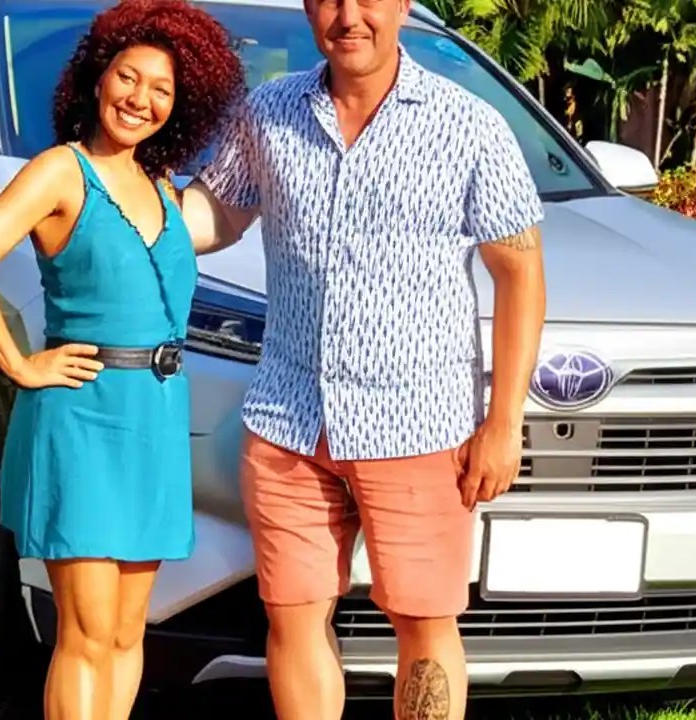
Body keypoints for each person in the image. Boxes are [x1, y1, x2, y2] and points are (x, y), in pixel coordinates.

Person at [178, 0, 547, 715]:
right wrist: (131, 213)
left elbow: (520, 272)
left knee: (424, 622)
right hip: (288, 419)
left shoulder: (466, 125)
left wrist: (505, 422)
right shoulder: (269, 112)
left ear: (403, 4)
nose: (349, 16)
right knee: (292, 615)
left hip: (419, 426)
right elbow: (219, 210)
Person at [0, 1, 244, 717]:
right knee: (82, 634)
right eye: (128, 77)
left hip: (155, 421)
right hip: (81, 418)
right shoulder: (61, 171)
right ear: (96, 77)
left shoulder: (164, 188)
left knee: (128, 634)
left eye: (162, 88)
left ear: (181, 104)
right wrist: (20, 365)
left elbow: (236, 213)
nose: (140, 98)